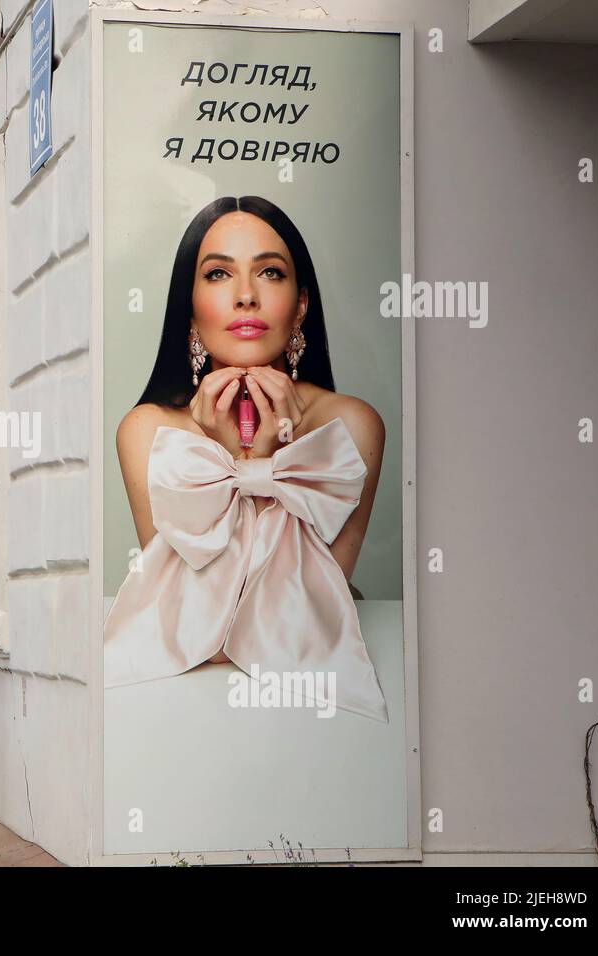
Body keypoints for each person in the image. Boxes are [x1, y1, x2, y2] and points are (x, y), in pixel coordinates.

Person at [105, 195, 388, 722]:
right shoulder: (148, 431)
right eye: (217, 274)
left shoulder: (350, 426)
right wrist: (240, 457)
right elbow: (202, 632)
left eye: (270, 272)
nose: (245, 297)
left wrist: (263, 456)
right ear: (189, 307)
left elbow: (294, 621)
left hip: (315, 714)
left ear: (301, 304)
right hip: (181, 713)